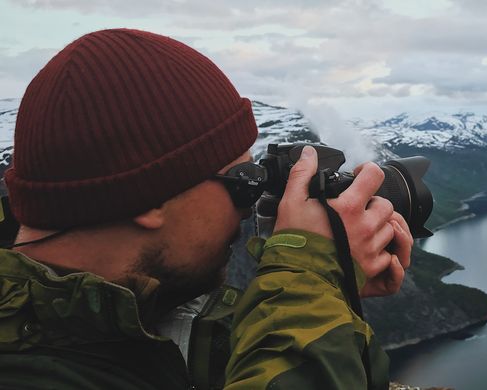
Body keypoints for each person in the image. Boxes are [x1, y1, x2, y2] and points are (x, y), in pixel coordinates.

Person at [0, 28, 412, 389]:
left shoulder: (101, 324)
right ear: (152, 196)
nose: (246, 211)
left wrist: (324, 286)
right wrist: (310, 278)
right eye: (243, 182)